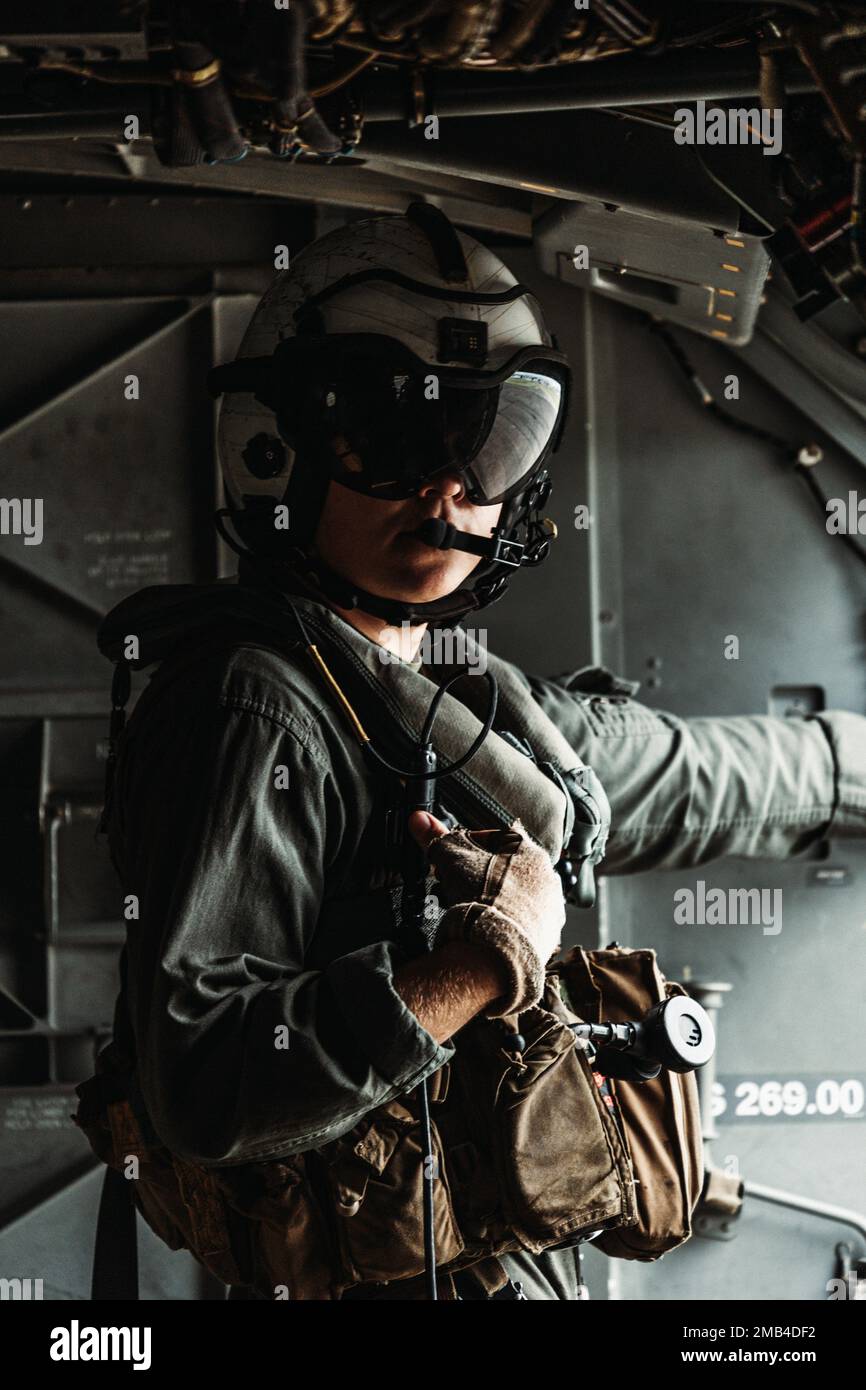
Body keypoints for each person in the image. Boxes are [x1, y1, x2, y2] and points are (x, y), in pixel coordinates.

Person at [87, 202, 866, 1302]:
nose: (446, 487)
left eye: (485, 438)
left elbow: (694, 776)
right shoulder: (255, 706)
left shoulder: (456, 713)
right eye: (387, 435)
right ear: (277, 446)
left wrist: (842, 762)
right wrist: (481, 962)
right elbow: (209, 1081)